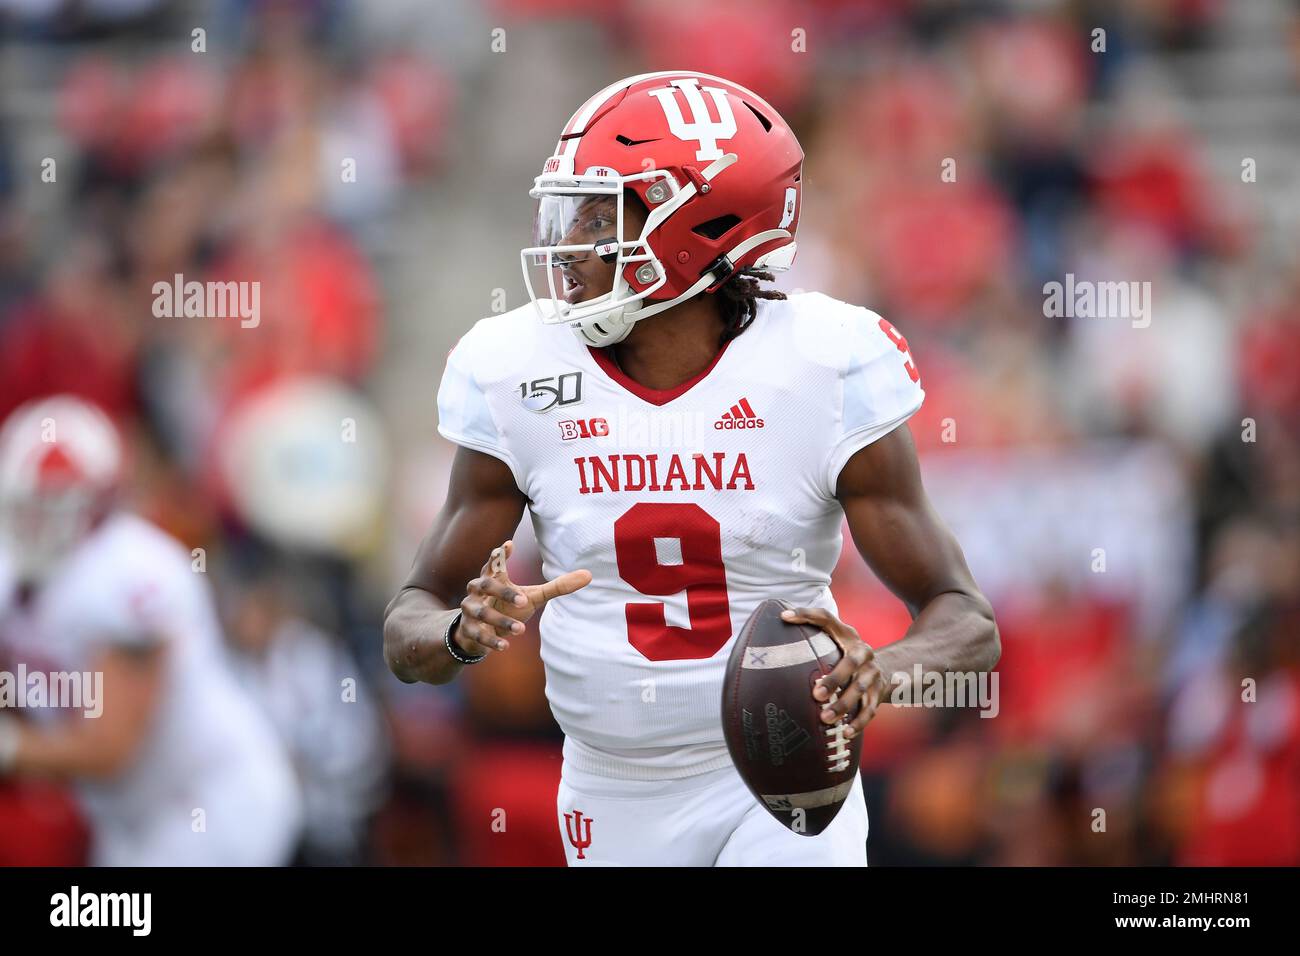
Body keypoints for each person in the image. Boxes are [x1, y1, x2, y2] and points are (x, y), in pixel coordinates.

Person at [384, 72, 999, 866]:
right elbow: (409, 625)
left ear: (696, 226)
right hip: (611, 785)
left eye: (600, 214)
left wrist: (882, 670)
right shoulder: (516, 372)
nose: (570, 241)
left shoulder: (821, 365)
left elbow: (966, 620)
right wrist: (462, 633)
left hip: (782, 776)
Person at [0, 395, 302, 865]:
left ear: (99, 501)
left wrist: (12, 746)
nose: (34, 522)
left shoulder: (132, 574)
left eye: (52, 505)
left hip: (208, 801)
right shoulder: (11, 568)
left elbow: (109, 749)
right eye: (26, 504)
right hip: (126, 816)